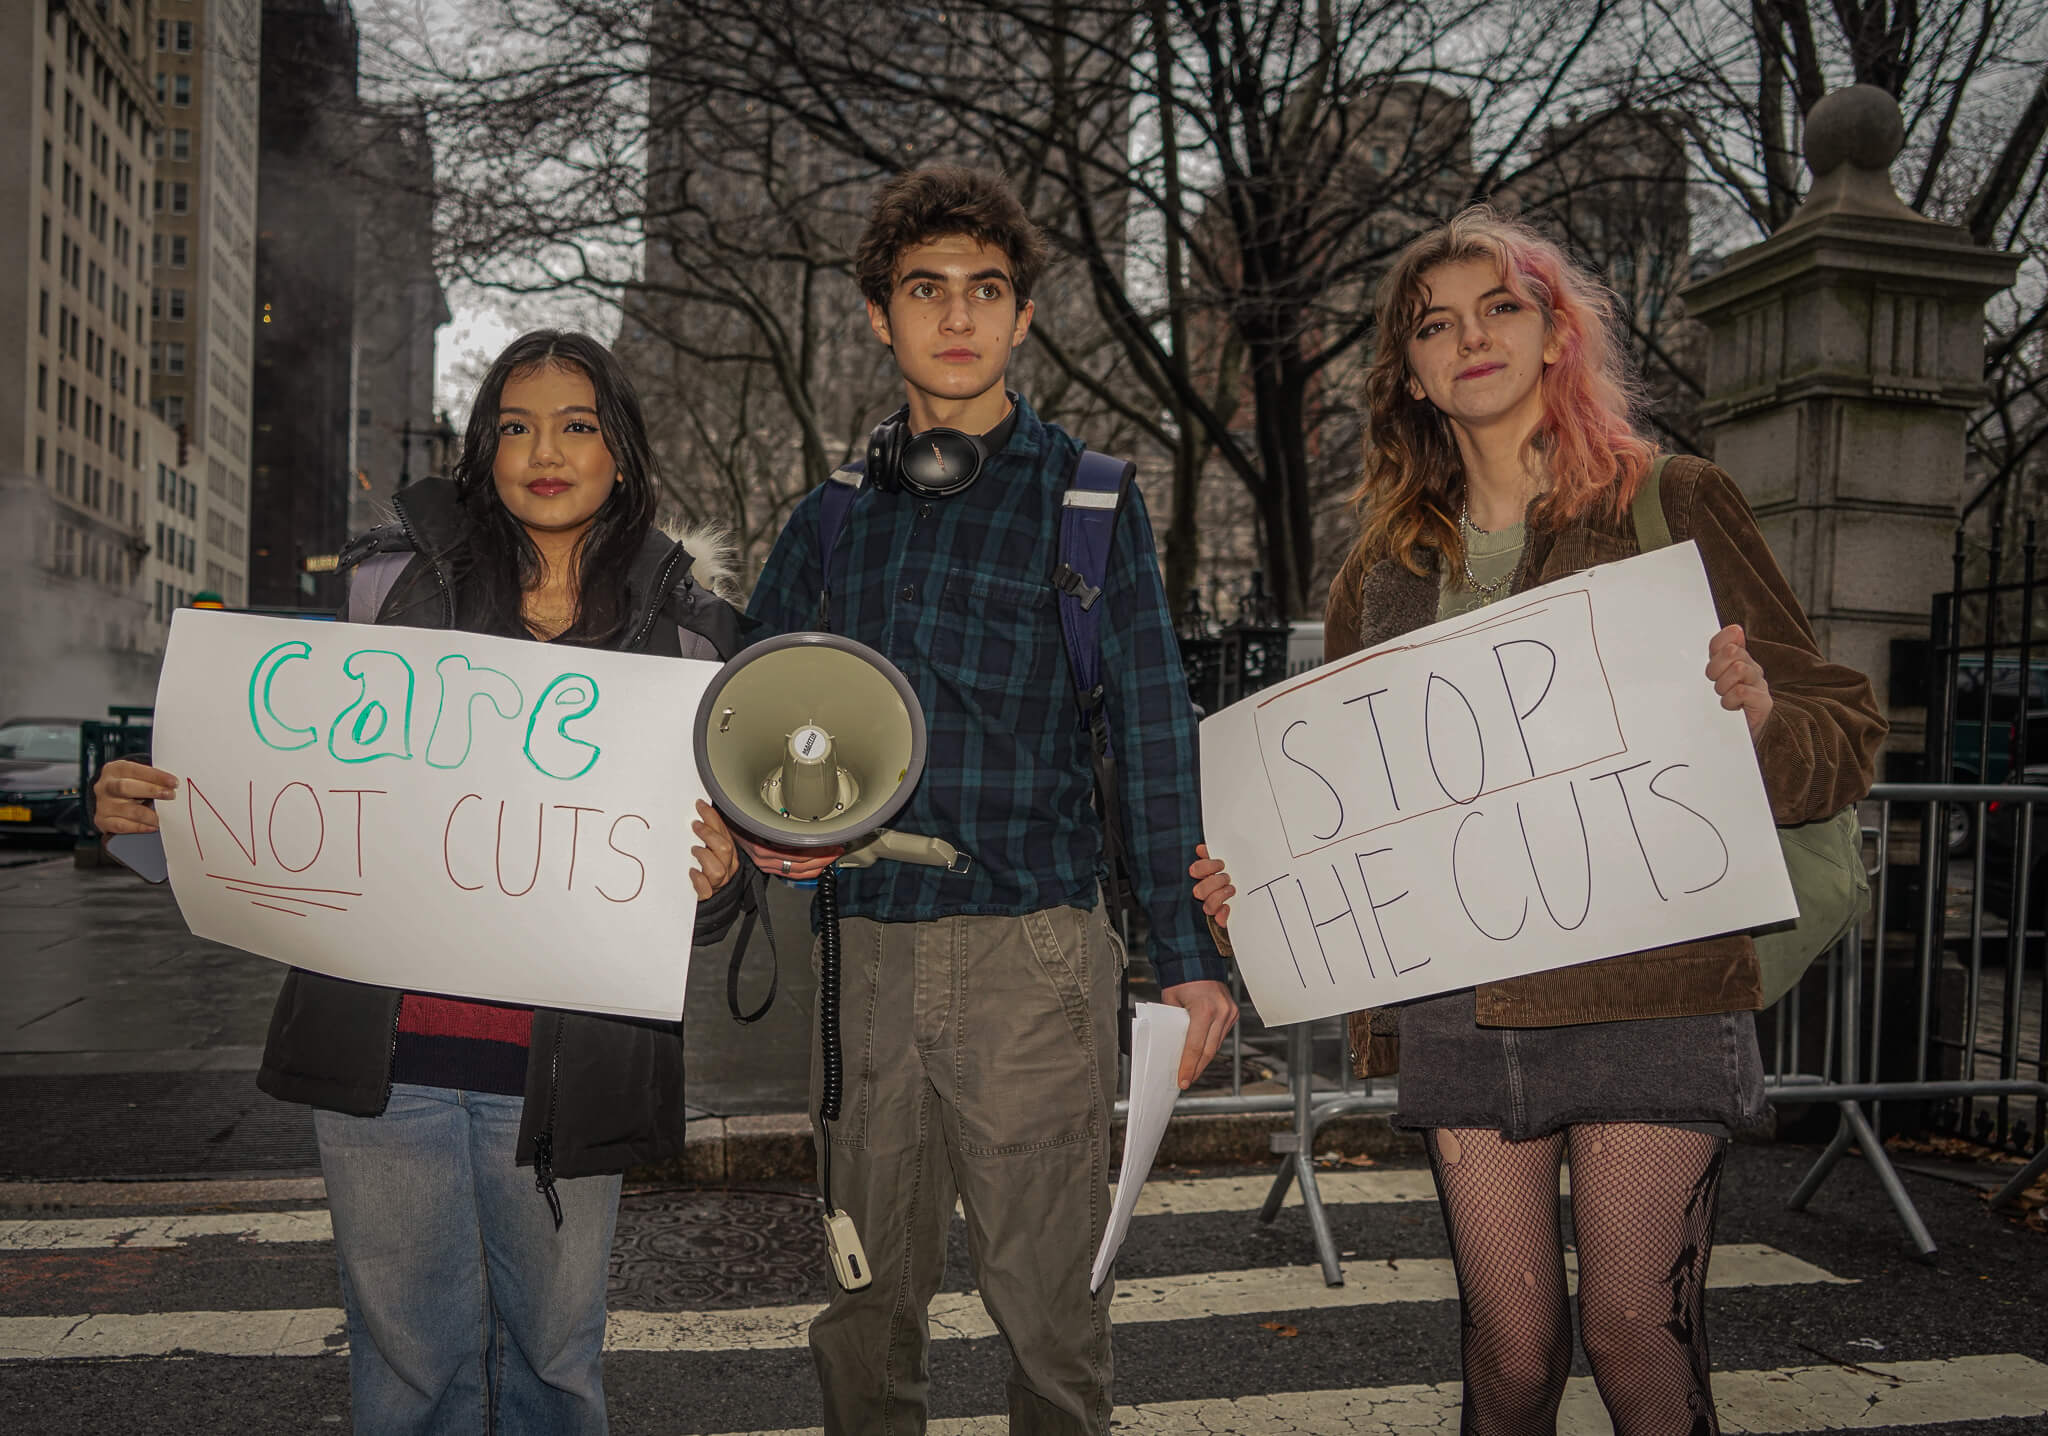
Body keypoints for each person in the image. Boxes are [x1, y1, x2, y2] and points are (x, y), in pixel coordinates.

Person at [1191, 207, 1885, 1435]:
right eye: (1433, 324)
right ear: (1407, 371)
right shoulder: (1382, 567)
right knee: (1507, 1355)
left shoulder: (1672, 499)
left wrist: (1763, 713)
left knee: (1635, 1338)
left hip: (1651, 989)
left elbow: (1840, 728)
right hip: (1468, 1008)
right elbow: (1343, 811)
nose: (1468, 338)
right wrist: (1260, 885)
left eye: (1499, 306)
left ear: (1555, 332)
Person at [92, 330, 783, 1435]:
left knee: (557, 1365)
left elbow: (719, 893)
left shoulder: (695, 640)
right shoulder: (388, 591)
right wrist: (151, 816)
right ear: (483, 447)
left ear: (622, 451)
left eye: (574, 424)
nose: (541, 450)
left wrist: (714, 880)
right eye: (514, 425)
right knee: (407, 1370)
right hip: (388, 1061)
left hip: (566, 1076)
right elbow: (283, 771)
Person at [737, 166, 1237, 1435]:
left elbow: (1149, 729)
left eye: (986, 290)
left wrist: (1188, 960)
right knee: (863, 1307)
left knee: (1052, 1315)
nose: (955, 317)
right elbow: (747, 723)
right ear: (876, 315)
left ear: (1023, 317)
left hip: (1038, 956)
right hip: (864, 959)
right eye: (924, 290)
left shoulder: (1091, 501)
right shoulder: (832, 524)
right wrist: (768, 831)